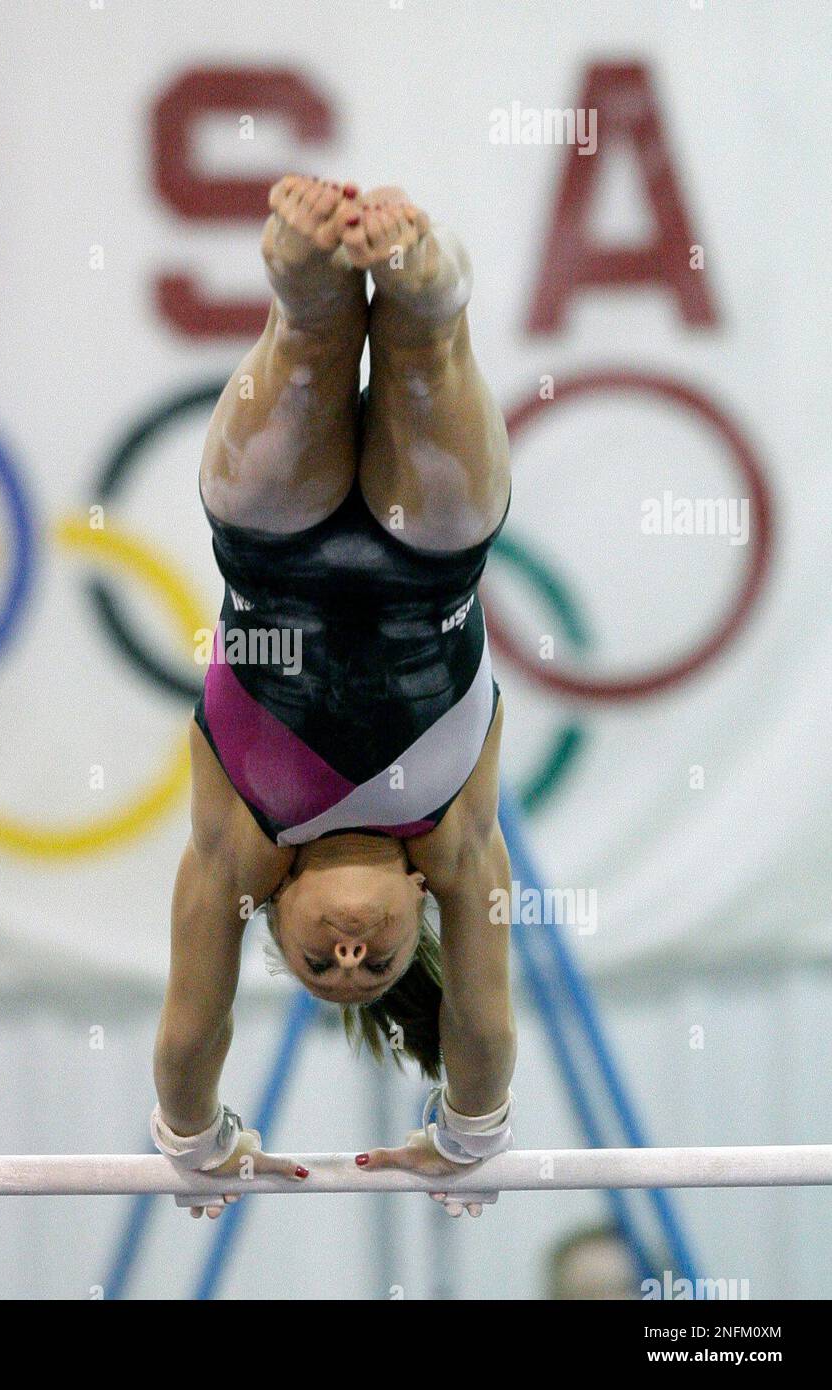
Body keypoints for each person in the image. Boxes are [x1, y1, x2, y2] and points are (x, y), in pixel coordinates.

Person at [152, 177, 516, 1218]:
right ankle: (424, 282)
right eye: (379, 959)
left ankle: (305, 284)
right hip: (434, 555)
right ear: (419, 906)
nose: (352, 949)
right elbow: (482, 1029)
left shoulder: (240, 846)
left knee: (311, 341)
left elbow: (188, 1035)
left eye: (322, 960)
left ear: (271, 912)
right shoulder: (453, 839)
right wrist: (469, 1132)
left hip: (271, 547)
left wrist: (197, 1141)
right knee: (427, 342)